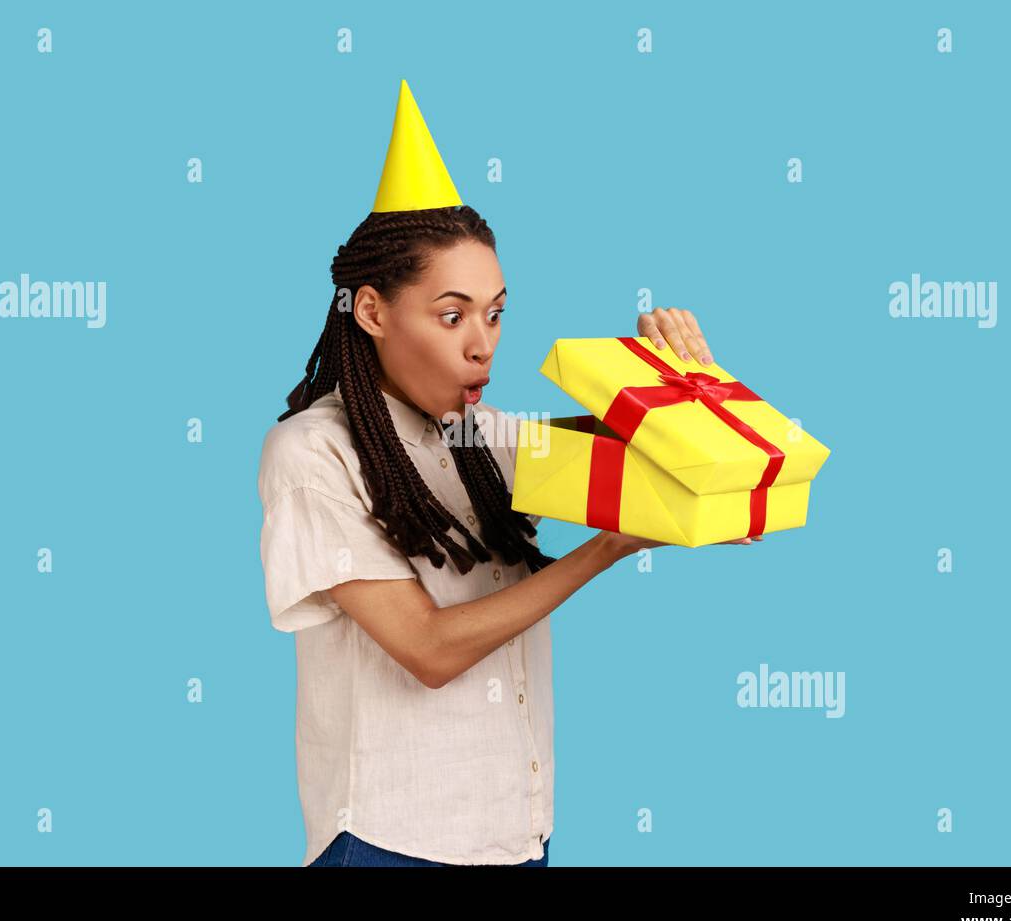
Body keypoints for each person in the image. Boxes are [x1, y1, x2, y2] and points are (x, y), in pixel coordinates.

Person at [257, 79, 757, 868]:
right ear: (373, 312)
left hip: (515, 836)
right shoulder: (313, 454)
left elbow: (725, 513)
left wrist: (688, 391)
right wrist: (604, 550)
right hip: (392, 844)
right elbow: (427, 650)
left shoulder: (484, 439)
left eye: (495, 313)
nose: (483, 344)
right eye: (451, 315)